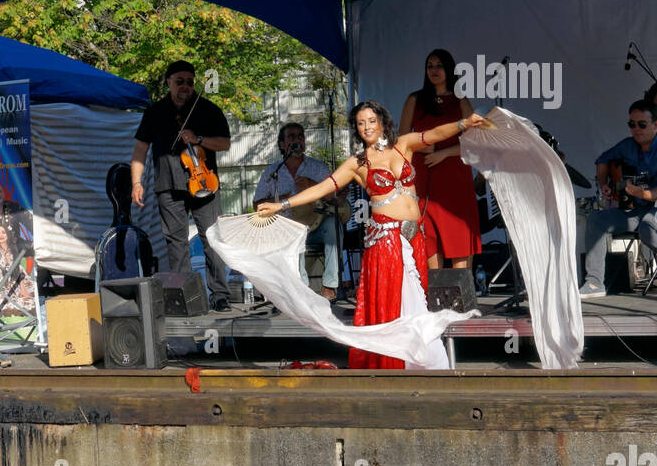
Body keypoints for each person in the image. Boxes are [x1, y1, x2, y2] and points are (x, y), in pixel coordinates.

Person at [257, 101, 490, 369]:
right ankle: (411, 364)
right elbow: (322, 189)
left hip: (413, 237)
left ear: (381, 122)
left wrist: (464, 123)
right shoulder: (358, 163)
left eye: (371, 121)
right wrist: (281, 205)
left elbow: (435, 134)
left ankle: (419, 363)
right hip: (386, 242)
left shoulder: (404, 144)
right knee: (401, 305)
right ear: (356, 129)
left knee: (418, 301)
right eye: (360, 123)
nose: (366, 127)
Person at [131, 60, 232, 311]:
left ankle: (220, 295)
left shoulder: (207, 109)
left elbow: (225, 143)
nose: (186, 86)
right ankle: (187, 298)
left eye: (190, 81)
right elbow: (140, 149)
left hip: (204, 183)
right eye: (180, 81)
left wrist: (199, 139)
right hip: (168, 185)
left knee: (212, 239)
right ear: (168, 82)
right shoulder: (154, 112)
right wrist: (136, 182)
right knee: (175, 243)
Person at [399, 49, 481, 270]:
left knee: (458, 235)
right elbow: (402, 139)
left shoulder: (460, 101)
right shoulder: (415, 99)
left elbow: (476, 142)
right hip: (424, 174)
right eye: (430, 66)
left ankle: (460, 300)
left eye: (439, 66)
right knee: (428, 237)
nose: (433, 70)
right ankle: (433, 298)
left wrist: (444, 153)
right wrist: (425, 147)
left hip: (454, 176)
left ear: (449, 69)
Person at [253, 123, 344, 300]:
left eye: (300, 136)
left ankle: (329, 286)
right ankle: (302, 291)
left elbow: (337, 199)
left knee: (334, 225)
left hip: (316, 226)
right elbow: (257, 204)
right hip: (287, 228)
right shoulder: (273, 172)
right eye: (292, 137)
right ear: (282, 144)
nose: (297, 140)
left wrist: (311, 184)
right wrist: (281, 200)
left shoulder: (318, 168)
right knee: (294, 231)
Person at [579, 92, 657, 298]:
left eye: (642, 124)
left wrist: (641, 192)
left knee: (648, 226)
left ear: (656, 125)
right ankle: (595, 283)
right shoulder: (627, 146)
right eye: (632, 124)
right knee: (597, 219)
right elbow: (602, 160)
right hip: (636, 212)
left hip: (654, 211)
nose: (636, 129)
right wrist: (604, 183)